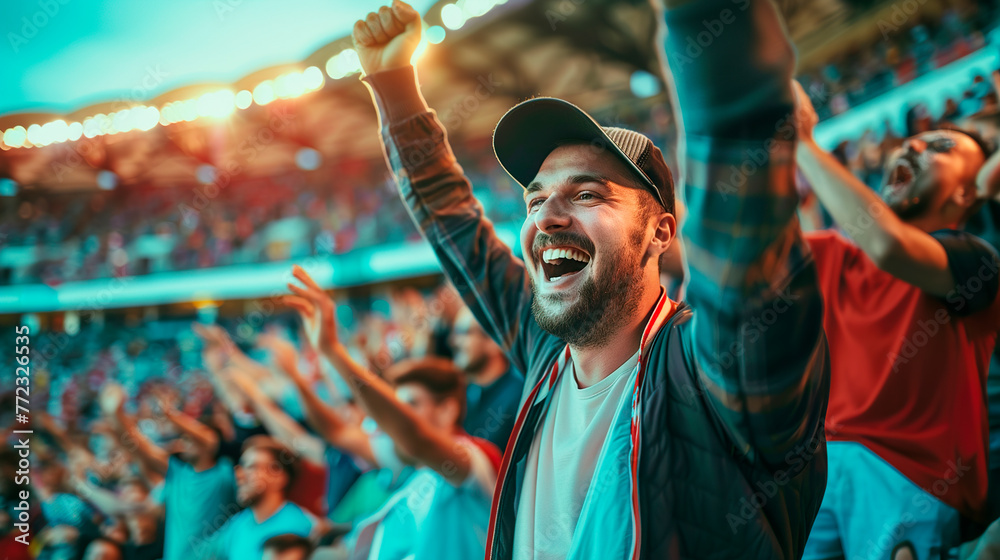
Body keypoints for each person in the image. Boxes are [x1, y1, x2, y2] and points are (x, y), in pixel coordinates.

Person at [351, 0, 829, 557]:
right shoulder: (545, 355)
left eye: (585, 194)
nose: (547, 217)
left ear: (660, 232)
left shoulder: (713, 368)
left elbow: (743, 223)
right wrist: (394, 87)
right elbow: (454, 225)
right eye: (535, 199)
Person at [793, 82, 1000, 557]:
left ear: (969, 192)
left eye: (942, 146)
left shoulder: (977, 262)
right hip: (819, 468)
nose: (916, 143)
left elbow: (887, 245)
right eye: (914, 142)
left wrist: (802, 140)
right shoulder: (838, 256)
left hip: (911, 480)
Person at [284, 266, 500, 559]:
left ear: (447, 410)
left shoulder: (471, 458)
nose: (393, 422)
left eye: (409, 405)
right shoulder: (411, 464)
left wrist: (335, 351)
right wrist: (301, 371)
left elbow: (415, 437)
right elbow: (336, 432)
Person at [109, 387, 237, 560]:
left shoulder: (223, 472)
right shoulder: (177, 472)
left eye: (189, 439)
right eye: (183, 439)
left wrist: (169, 414)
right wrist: (115, 414)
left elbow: (209, 439)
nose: (184, 443)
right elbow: (139, 446)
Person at [206, 436, 322, 560]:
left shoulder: (300, 526)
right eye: (240, 467)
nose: (239, 475)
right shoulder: (237, 524)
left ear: (279, 477)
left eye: (251, 467)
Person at [451, 307, 522, 451]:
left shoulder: (518, 397)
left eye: (464, 332)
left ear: (493, 342)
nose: (453, 341)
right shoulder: (463, 393)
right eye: (455, 332)